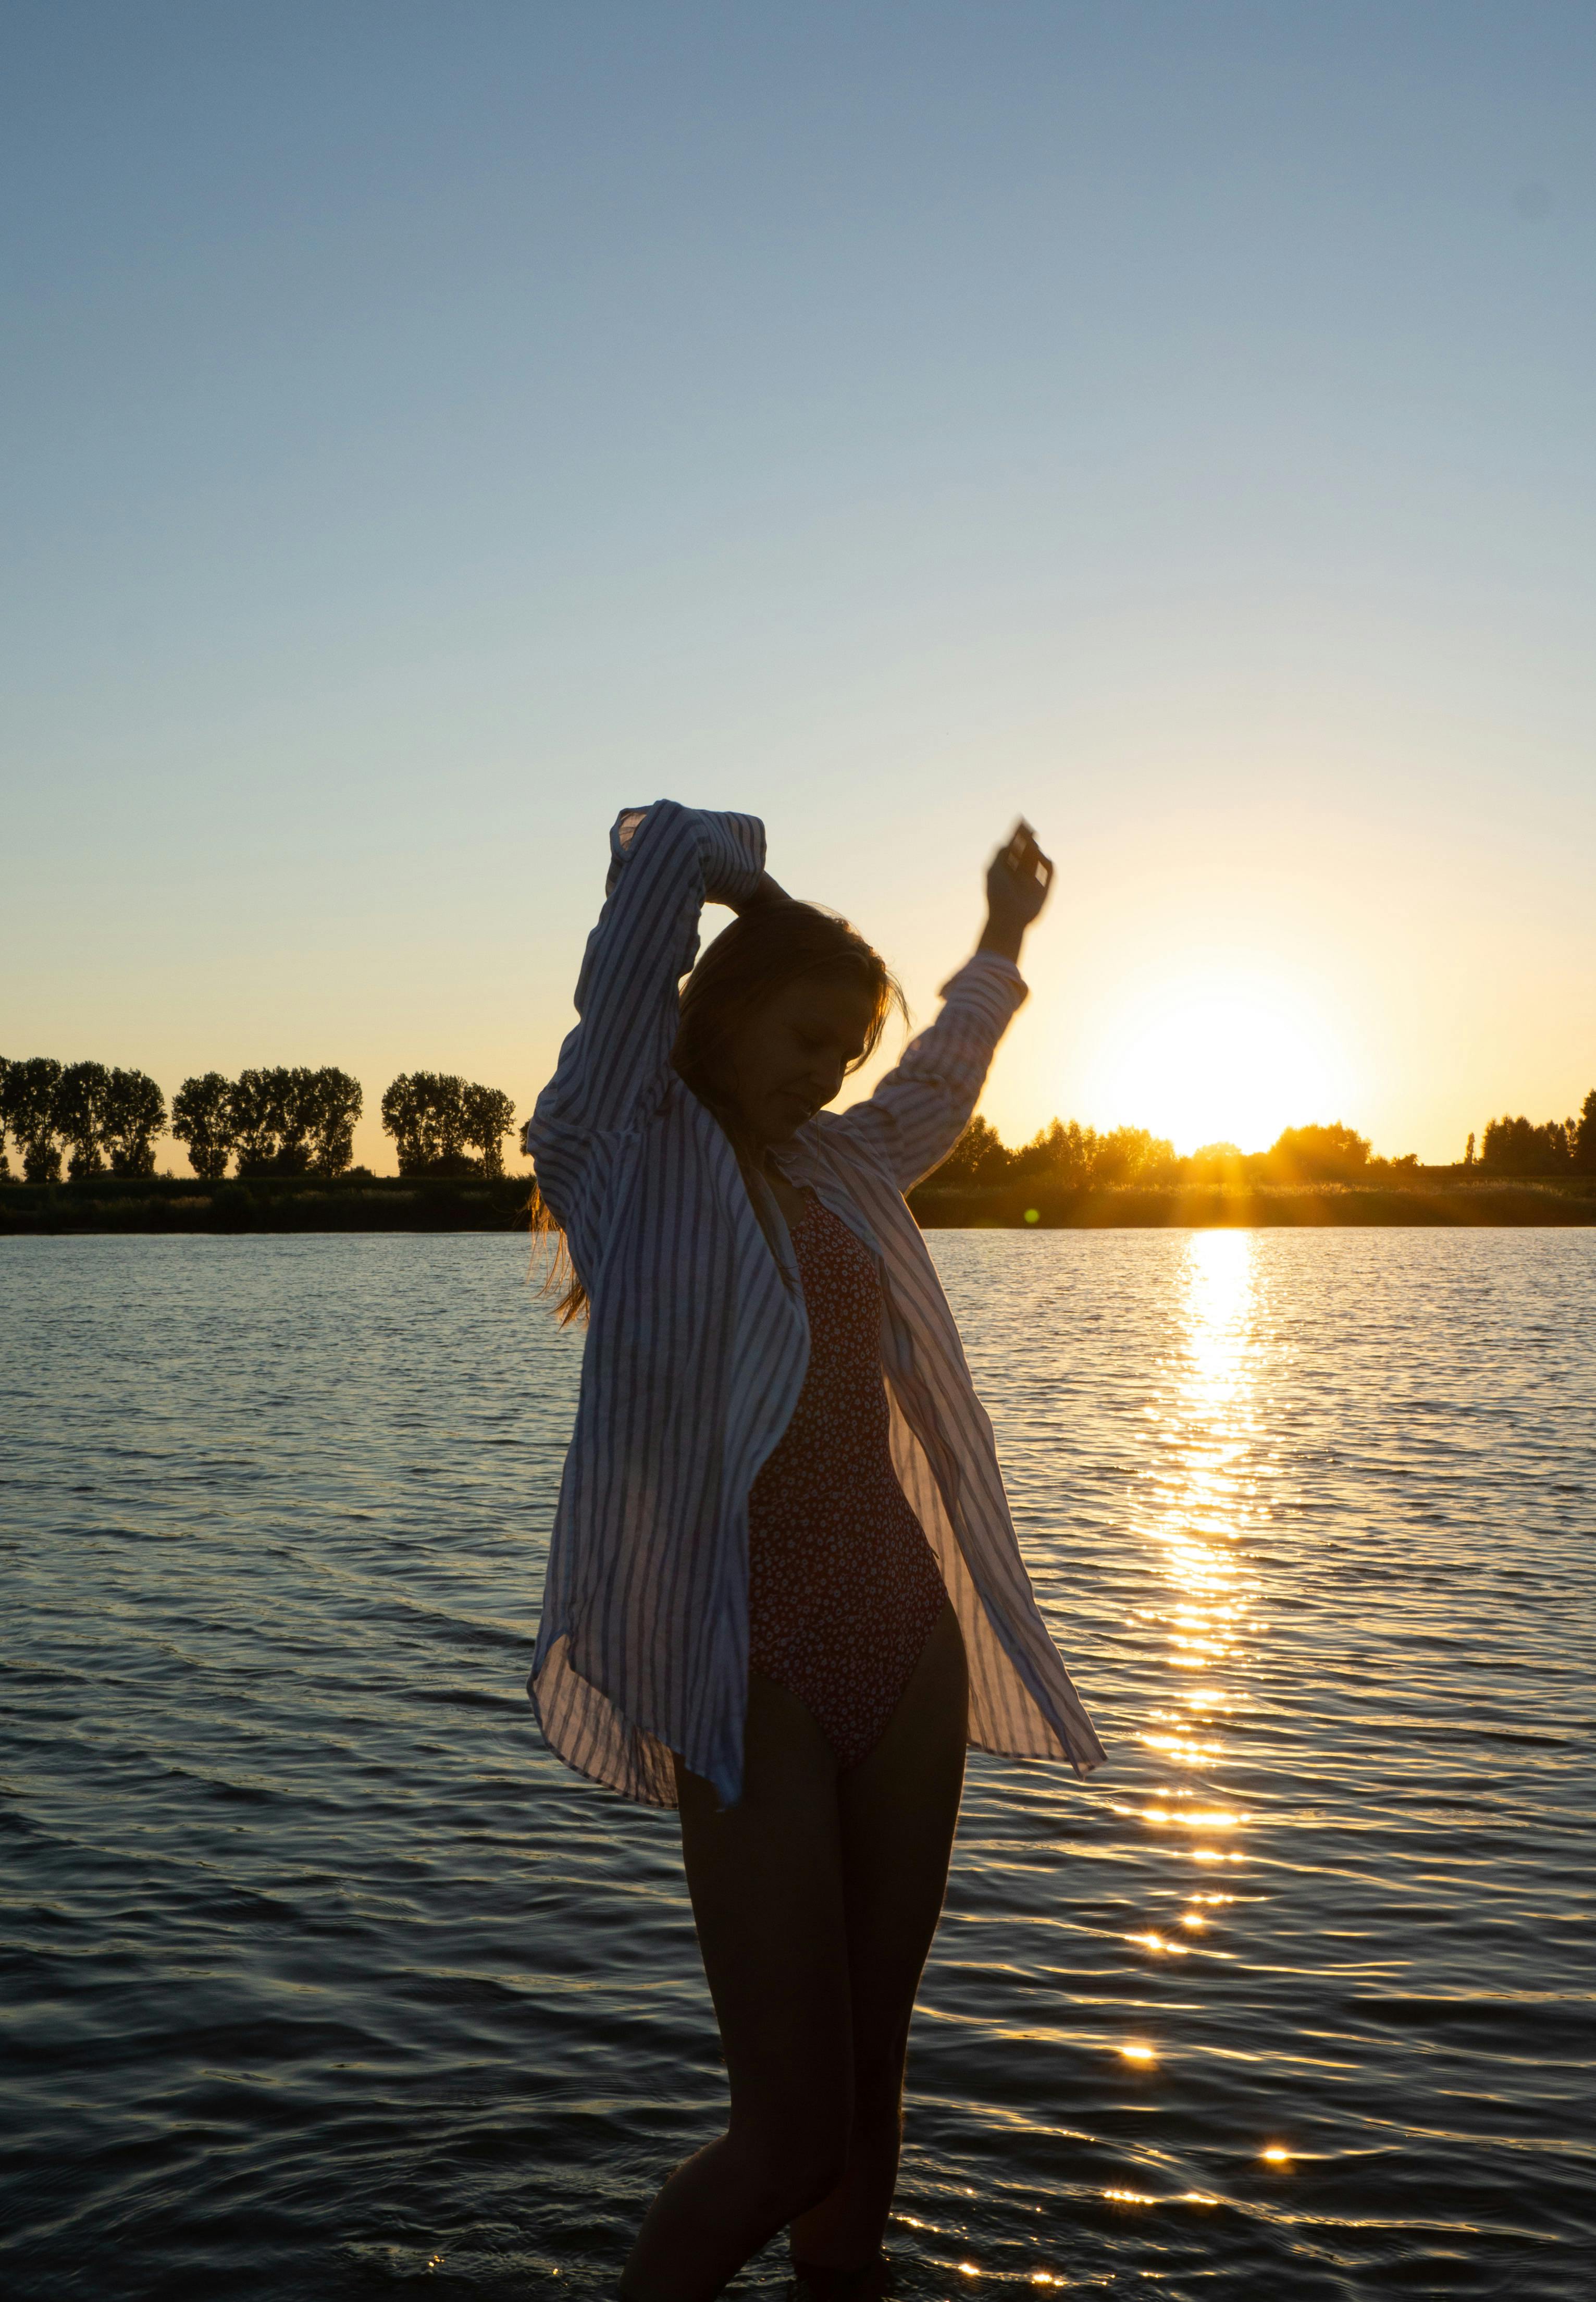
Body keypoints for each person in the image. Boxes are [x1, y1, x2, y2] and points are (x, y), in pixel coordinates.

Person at [525, 801, 1104, 2301]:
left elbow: (939, 1079)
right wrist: (768, 896)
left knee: (866, 2078)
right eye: (806, 1035)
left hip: (904, 1639)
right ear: (719, 1014)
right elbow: (657, 861)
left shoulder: (847, 1164)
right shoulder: (620, 1155)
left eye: (844, 1047)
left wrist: (1001, 936)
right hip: (750, 1660)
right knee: (785, 2130)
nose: (830, 1072)